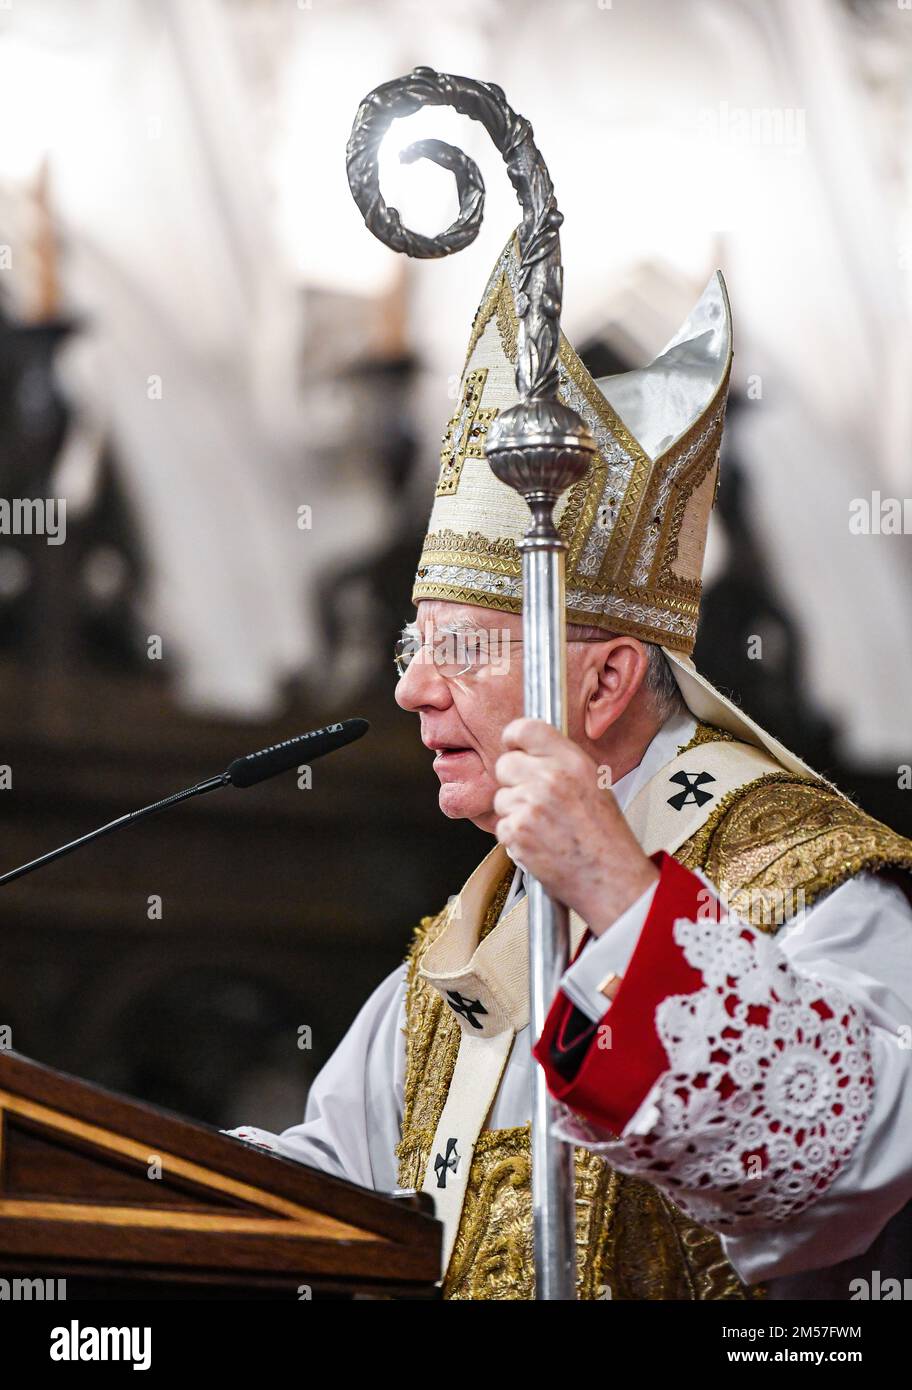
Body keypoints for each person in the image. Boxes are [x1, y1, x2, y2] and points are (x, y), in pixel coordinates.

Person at [227, 232, 912, 1301]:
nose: (412, 688)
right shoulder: (468, 940)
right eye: (417, 646)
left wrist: (615, 892)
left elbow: (847, 1162)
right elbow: (337, 1192)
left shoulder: (810, 878)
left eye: (460, 648)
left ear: (603, 683)